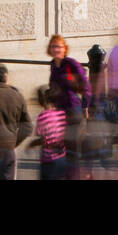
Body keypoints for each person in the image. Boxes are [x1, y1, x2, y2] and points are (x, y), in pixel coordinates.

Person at [47, 35, 90, 171]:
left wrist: (85, 106)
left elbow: (85, 85)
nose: (56, 49)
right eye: (53, 46)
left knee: (72, 148)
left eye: (59, 46)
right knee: (61, 147)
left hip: (73, 109)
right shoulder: (53, 65)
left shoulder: (70, 63)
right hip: (59, 111)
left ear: (65, 49)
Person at [33, 85, 71, 179]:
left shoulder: (42, 116)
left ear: (43, 101)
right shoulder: (62, 114)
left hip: (48, 160)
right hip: (62, 158)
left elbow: (41, 137)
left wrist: (31, 144)